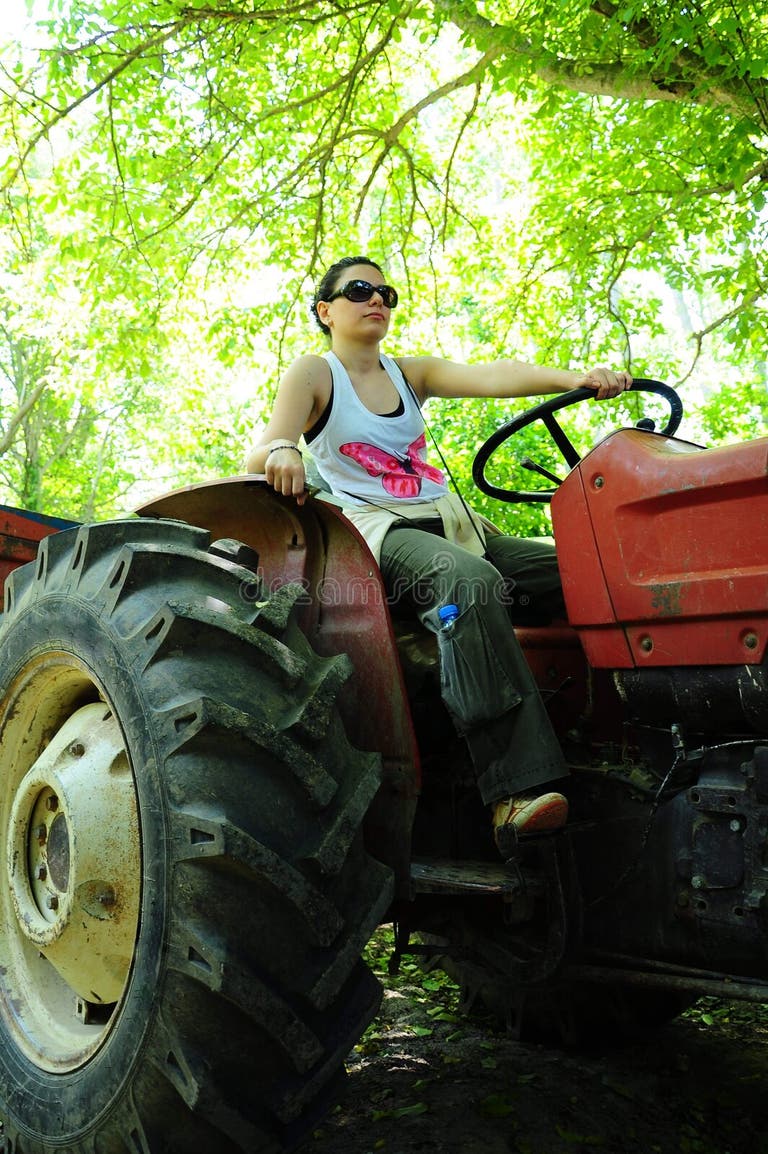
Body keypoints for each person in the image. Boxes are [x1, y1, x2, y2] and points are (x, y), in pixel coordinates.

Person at [245, 255, 631, 853]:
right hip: (380, 533)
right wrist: (280, 451)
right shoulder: (315, 373)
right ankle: (512, 791)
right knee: (468, 582)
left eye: (385, 292)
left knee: (588, 570)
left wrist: (573, 378)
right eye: (358, 290)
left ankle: (632, 739)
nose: (376, 299)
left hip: (454, 524)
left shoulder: (410, 372)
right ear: (326, 310)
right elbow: (267, 445)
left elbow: (491, 375)